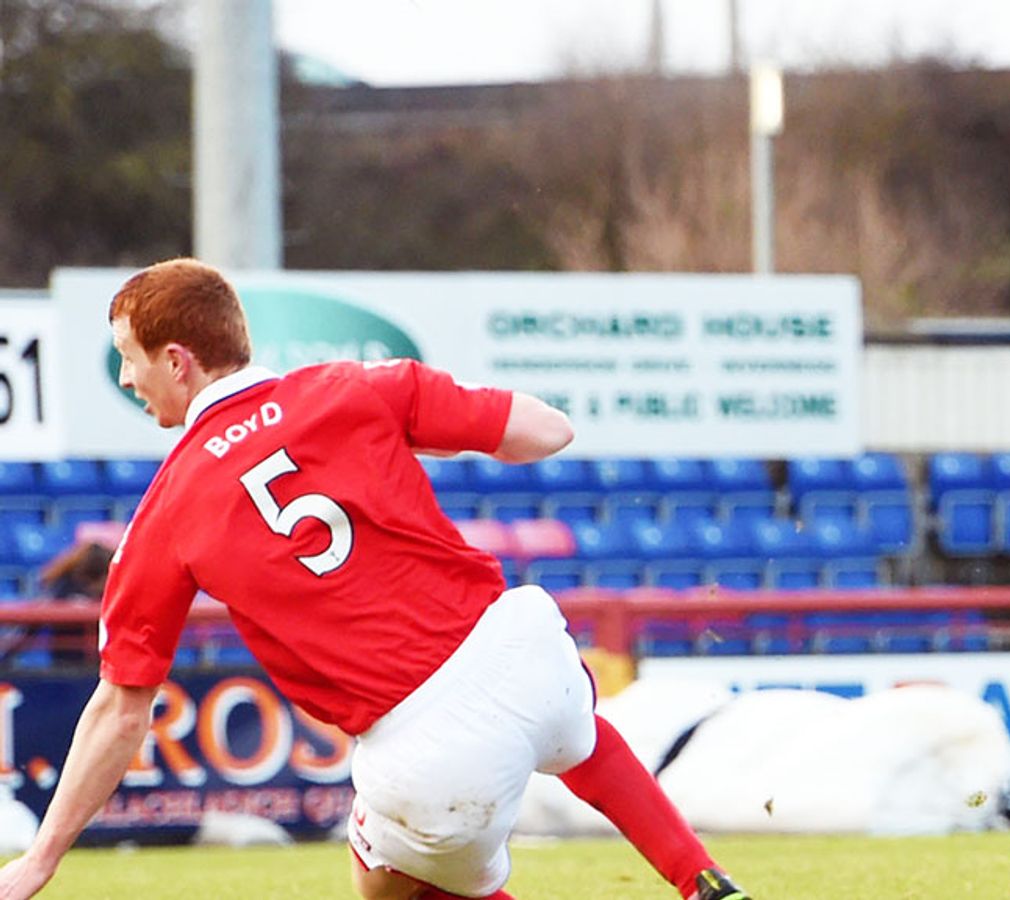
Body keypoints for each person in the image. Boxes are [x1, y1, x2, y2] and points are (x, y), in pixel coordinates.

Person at [0, 259, 751, 900]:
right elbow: (547, 431)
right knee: (581, 736)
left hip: (423, 743)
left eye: (129, 357)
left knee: (383, 873)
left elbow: (121, 710)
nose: (127, 377)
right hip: (523, 647)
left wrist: (43, 857)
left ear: (178, 360)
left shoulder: (165, 512)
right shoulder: (353, 385)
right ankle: (702, 879)